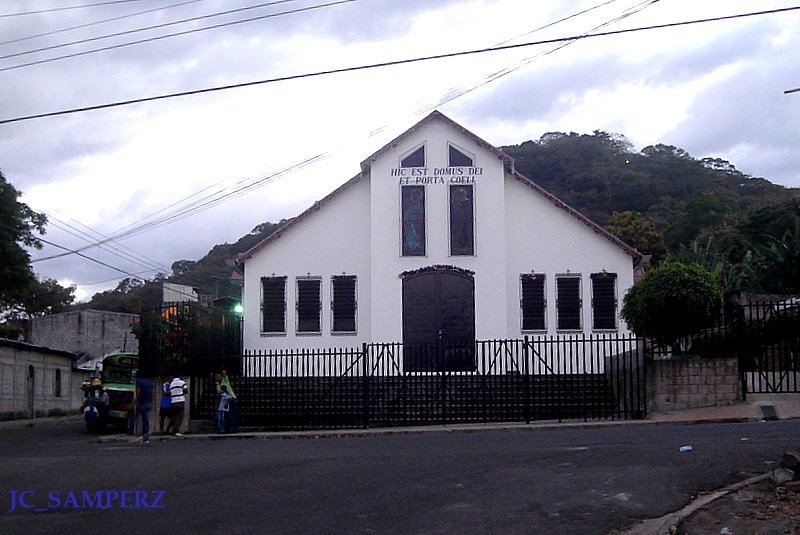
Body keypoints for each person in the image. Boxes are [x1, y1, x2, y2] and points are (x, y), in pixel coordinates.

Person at [215, 368, 238, 433]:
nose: (217, 378)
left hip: (231, 399)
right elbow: (219, 394)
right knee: (226, 416)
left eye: (219, 376)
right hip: (225, 401)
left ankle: (233, 429)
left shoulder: (225, 381)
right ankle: (226, 428)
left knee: (232, 415)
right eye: (216, 377)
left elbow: (224, 374)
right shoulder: (217, 385)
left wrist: (223, 370)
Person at [132, 375, 153, 444]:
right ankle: (146, 438)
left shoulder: (139, 382)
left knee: (134, 417)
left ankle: (132, 432)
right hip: (148, 403)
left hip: (141, 403)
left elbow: (138, 393)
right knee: (146, 420)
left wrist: (134, 403)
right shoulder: (150, 382)